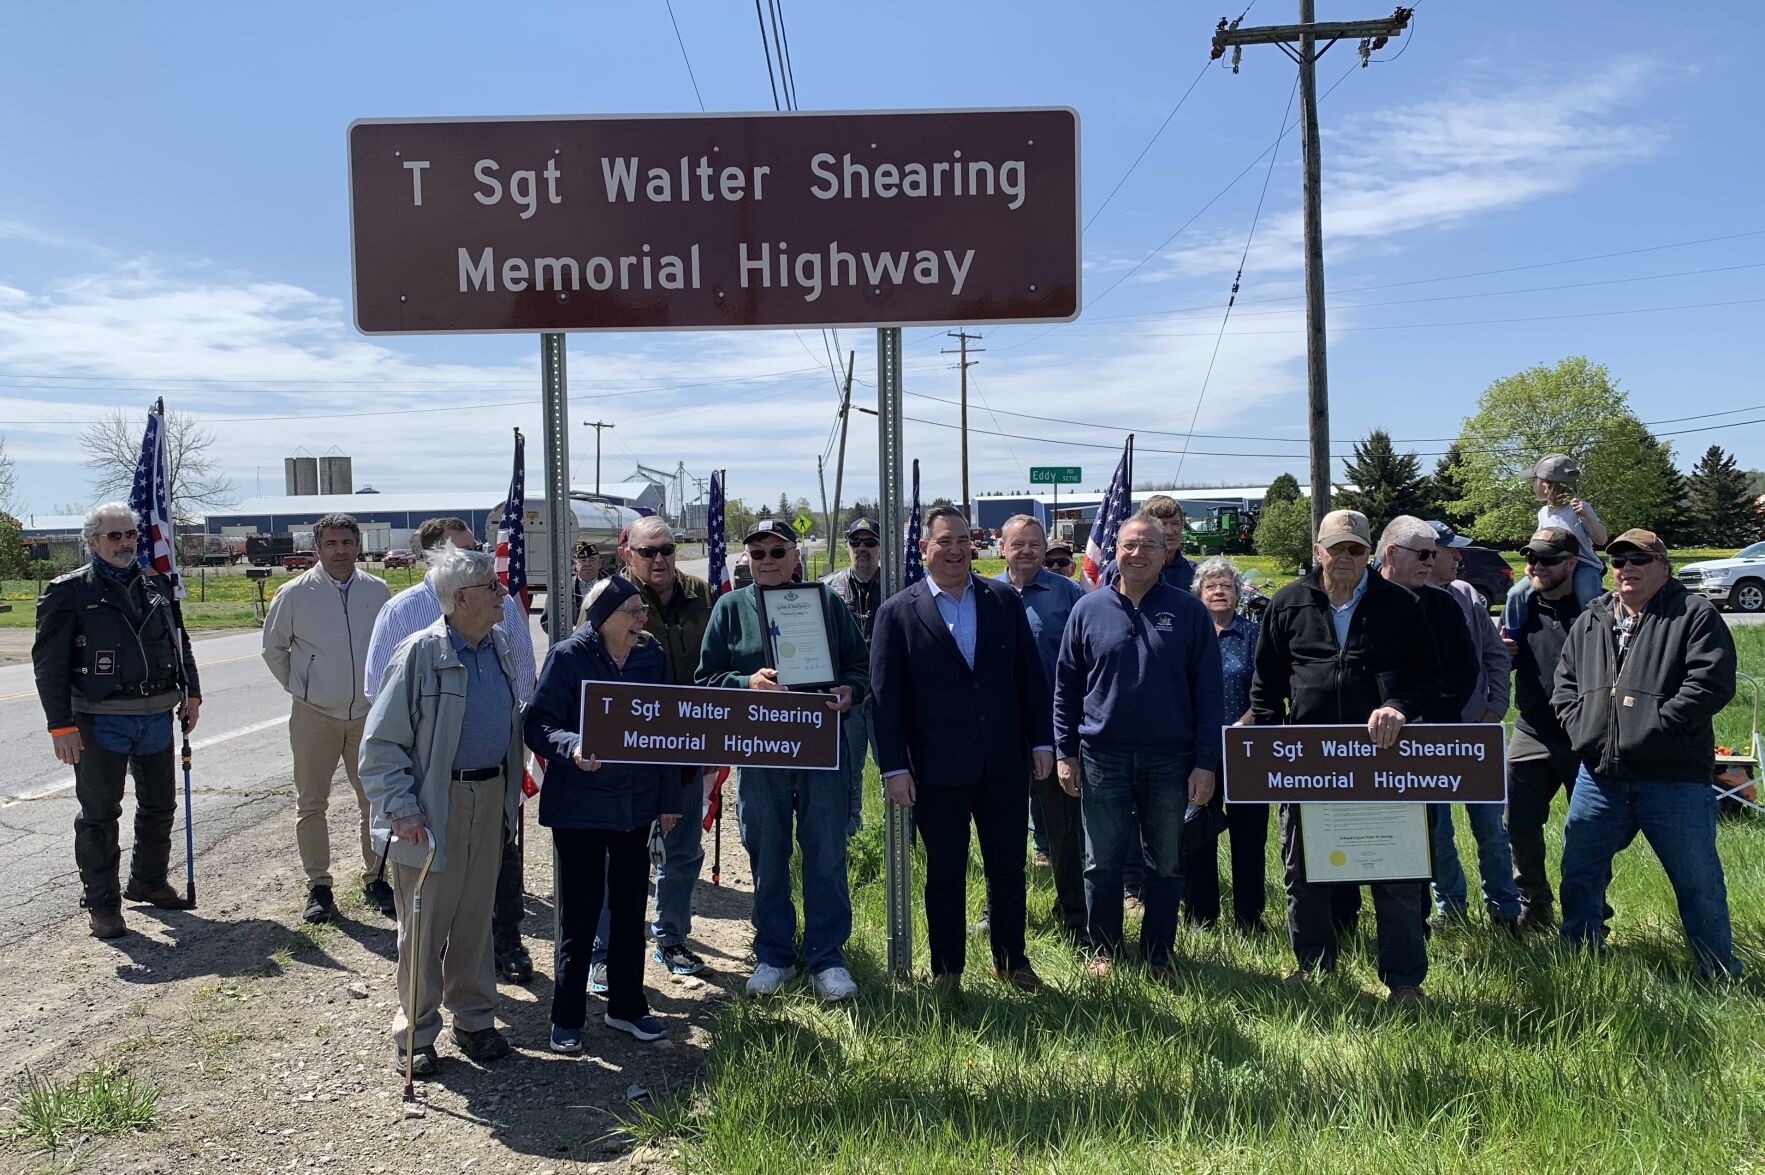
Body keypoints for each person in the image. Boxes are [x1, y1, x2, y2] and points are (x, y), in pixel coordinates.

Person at [1250, 509, 1438, 1005]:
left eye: (1356, 549)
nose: (1345, 558)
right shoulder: (1288, 602)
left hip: (1384, 761)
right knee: (1305, 869)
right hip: (1309, 763)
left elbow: (1427, 680)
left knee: (1395, 871)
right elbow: (1266, 685)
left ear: (1370, 554)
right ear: (1318, 551)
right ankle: (1313, 967)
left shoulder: (1400, 605)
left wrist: (1398, 707)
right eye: (1336, 548)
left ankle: (1403, 980)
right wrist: (1275, 746)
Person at [872, 508, 1055, 990]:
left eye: (962, 541)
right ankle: (947, 970)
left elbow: (1029, 679)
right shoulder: (897, 612)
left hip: (1003, 764)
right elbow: (885, 701)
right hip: (936, 769)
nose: (954, 550)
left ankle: (1013, 960)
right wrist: (894, 767)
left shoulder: (1001, 600)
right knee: (946, 874)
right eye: (944, 541)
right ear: (924, 549)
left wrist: (1041, 740)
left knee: (1008, 868)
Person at [360, 546, 525, 1075]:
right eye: (491, 589)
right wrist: (401, 810)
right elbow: (381, 746)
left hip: (488, 797)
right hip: (433, 807)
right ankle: (416, 1033)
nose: (502, 595)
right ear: (459, 599)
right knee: (424, 925)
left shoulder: (496, 645)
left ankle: (474, 1021)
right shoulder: (418, 653)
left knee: (476, 919)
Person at [1553, 528, 1740, 978]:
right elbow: (1564, 685)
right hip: (1599, 777)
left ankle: (1718, 972)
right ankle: (1581, 963)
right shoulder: (1592, 617)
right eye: (1618, 562)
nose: (1627, 570)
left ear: (1663, 566)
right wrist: (1584, 731)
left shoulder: (1693, 614)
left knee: (1698, 882)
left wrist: (1655, 729)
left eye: (1638, 561)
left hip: (1674, 779)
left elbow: (1710, 684)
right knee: (1581, 875)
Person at [696, 520, 870, 999]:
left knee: (825, 852)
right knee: (767, 853)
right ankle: (773, 954)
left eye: (777, 552)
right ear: (747, 560)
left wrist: (848, 692)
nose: (768, 561)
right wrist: (745, 683)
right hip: (760, 750)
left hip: (819, 745)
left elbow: (859, 668)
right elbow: (706, 678)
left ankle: (826, 958)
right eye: (758, 554)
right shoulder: (729, 608)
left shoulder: (825, 602)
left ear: (796, 557)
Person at [1055, 514, 1223, 981]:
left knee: (1165, 863)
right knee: (1101, 862)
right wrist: (1065, 751)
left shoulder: (1188, 613)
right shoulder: (1087, 610)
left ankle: (1158, 954)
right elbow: (1066, 687)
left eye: (1149, 545)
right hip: (1101, 755)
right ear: (1116, 550)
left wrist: (1205, 763)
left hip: (1170, 758)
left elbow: (1208, 694)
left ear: (1165, 552)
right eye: (1130, 545)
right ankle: (1104, 949)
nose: (1139, 554)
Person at [524, 576, 685, 1053]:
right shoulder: (569, 657)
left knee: (631, 910)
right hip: (581, 809)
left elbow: (668, 729)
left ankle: (627, 1007)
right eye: (633, 611)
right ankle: (568, 1017)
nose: (643, 618)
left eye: (642, 611)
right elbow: (536, 723)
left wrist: (669, 799)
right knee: (580, 914)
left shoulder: (650, 656)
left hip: (635, 806)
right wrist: (571, 747)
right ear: (605, 617)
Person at [32, 502, 201, 939]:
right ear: (92, 542)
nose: (125, 543)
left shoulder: (159, 584)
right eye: (115, 536)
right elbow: (49, 665)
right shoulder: (68, 592)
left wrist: (192, 691)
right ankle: (103, 905)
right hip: (98, 720)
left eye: (130, 535)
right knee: (100, 815)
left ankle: (148, 880)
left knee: (161, 806)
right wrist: (60, 725)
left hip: (156, 715)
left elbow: (180, 641)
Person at [262, 513, 393, 923]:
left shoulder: (378, 590)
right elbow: (274, 649)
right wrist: (303, 689)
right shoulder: (294, 593)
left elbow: (390, 645)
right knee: (311, 802)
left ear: (359, 546)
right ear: (317, 548)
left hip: (368, 715)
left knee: (374, 800)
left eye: (347, 543)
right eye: (331, 544)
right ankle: (319, 886)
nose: (340, 551)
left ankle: (376, 878)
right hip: (314, 714)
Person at [616, 516, 715, 978]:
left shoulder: (702, 594)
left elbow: (722, 658)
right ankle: (608, 951)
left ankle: (671, 938)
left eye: (668, 549)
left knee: (683, 850)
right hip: (632, 749)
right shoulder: (610, 598)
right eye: (649, 551)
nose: (660, 559)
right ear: (628, 554)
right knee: (622, 855)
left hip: (689, 748)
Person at [1422, 521, 1521, 931]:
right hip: (1424, 738)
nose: (1459, 557)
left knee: (1491, 831)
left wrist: (1495, 708)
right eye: (1451, 550)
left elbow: (1496, 655)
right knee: (1437, 835)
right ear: (1427, 555)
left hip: (1476, 734)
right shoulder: (1396, 599)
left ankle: (1504, 910)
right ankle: (1452, 912)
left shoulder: (1466, 596)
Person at [992, 514, 1086, 944]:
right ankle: (1000, 913)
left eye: (1034, 544)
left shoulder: (1067, 594)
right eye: (1018, 544)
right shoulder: (982, 593)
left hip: (1055, 733)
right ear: (1002, 547)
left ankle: (1074, 919)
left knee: (1064, 833)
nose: (1027, 551)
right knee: (1001, 831)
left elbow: (1085, 664)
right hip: (998, 737)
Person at [1503, 528, 1594, 929]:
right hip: (1532, 729)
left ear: (1572, 563)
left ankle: (1589, 917)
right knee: (1517, 823)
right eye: (1532, 559)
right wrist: (1501, 654)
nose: (1537, 566)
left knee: (1588, 831)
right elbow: (1503, 660)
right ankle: (1534, 905)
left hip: (1586, 734)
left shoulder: (1596, 610)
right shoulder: (1522, 607)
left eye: (1548, 560)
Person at [1185, 556, 1268, 932]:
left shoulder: (1254, 634)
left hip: (1245, 750)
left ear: (1238, 594)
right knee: (1197, 834)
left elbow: (1267, 691)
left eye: (1227, 586)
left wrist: (1241, 726)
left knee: (1249, 838)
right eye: (1211, 586)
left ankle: (1249, 918)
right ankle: (1201, 915)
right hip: (1197, 751)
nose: (1220, 592)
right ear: (1198, 594)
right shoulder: (1189, 634)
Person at [823, 517, 884, 837]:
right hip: (848, 693)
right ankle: (851, 833)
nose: (862, 549)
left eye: (870, 542)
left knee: (894, 767)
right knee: (848, 769)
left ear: (880, 547)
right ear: (848, 547)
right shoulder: (827, 588)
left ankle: (897, 835)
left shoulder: (898, 584)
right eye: (856, 542)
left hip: (887, 693)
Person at [1502, 454, 1607, 635]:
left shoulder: (1579, 508)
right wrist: (1531, 564)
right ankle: (1513, 636)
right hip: (1547, 562)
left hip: (1582, 564)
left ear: (1545, 484)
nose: (1533, 485)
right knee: (1515, 593)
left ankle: (1596, 636)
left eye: (1535, 481)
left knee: (1588, 596)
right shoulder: (1543, 512)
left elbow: (1601, 540)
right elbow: (1538, 543)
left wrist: (1587, 516)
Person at [1099, 494, 1195, 593]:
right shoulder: (1120, 568)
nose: (1169, 531)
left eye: (1175, 524)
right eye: (1162, 524)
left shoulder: (1194, 573)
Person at [543, 541, 600, 642]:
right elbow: (546, 622)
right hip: (573, 647)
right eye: (583, 560)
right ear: (576, 564)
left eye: (592, 560)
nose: (587, 564)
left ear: (600, 563)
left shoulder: (611, 587)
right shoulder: (562, 588)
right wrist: (569, 630)